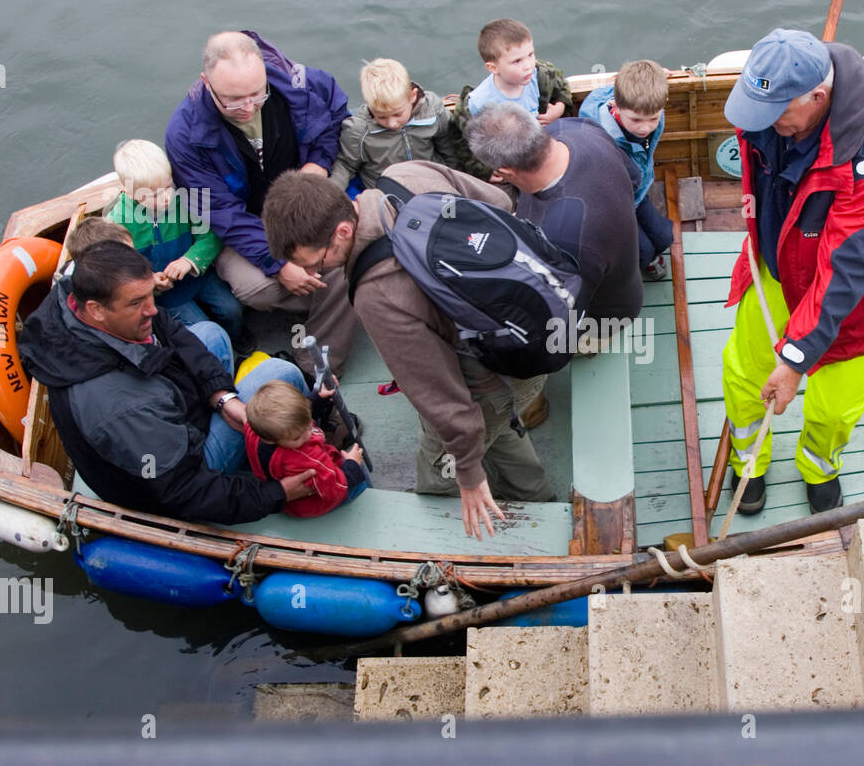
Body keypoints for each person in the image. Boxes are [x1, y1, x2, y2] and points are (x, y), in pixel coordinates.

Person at [261, 163, 557, 540]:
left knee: (441, 474)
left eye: (316, 262)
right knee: (501, 427)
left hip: (490, 381)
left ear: (343, 232)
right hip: (531, 339)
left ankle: (472, 553)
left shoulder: (376, 292)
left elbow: (440, 395)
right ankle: (542, 502)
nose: (316, 275)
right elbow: (500, 200)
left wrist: (467, 474)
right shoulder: (405, 175)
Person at [720, 28, 864, 515]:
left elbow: (845, 270)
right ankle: (750, 460)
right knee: (744, 376)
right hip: (776, 268)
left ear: (818, 97)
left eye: (777, 113)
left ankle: (820, 465)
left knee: (835, 407)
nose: (762, 124)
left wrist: (794, 358)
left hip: (857, 301)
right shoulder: (768, 116)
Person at [18, 241, 318, 524]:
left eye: (150, 294)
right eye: (137, 302)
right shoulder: (120, 406)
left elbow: (169, 329)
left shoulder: (77, 300)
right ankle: (306, 443)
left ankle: (262, 425)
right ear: (96, 309)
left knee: (210, 333)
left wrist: (221, 396)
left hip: (167, 412)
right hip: (176, 472)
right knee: (281, 372)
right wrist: (276, 494)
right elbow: (184, 492)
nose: (151, 308)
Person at [165, 30, 356, 374]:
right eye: (234, 100)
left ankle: (317, 358)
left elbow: (333, 116)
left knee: (338, 259)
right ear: (206, 83)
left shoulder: (303, 84)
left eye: (257, 93)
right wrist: (278, 264)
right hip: (245, 225)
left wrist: (318, 162)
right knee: (259, 290)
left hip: (302, 205)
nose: (249, 107)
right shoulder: (184, 135)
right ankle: (338, 303)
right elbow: (221, 212)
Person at [463, 104, 642, 325]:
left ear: (505, 172)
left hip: (604, 316)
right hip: (626, 281)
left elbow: (564, 308)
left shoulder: (561, 240)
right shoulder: (577, 126)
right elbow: (634, 177)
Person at [106, 139, 245, 342]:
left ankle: (237, 338)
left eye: (167, 186)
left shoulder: (185, 199)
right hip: (164, 294)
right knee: (203, 329)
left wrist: (189, 260)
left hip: (198, 276)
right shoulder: (118, 223)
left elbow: (210, 236)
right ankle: (220, 353)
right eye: (154, 194)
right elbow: (117, 269)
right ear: (128, 192)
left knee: (232, 309)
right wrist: (148, 281)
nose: (166, 198)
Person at [578, 59, 675, 280]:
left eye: (653, 118)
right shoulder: (598, 138)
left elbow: (628, 86)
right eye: (636, 119)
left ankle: (649, 256)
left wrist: (656, 78)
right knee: (642, 252)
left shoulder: (645, 103)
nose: (645, 127)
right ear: (615, 107)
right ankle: (639, 266)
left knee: (664, 237)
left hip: (638, 192)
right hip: (613, 203)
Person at [451, 19, 574, 179]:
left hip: (543, 144)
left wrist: (560, 107)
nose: (528, 65)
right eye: (517, 61)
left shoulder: (541, 75)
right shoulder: (480, 103)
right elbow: (467, 142)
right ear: (493, 67)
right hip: (510, 161)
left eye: (530, 54)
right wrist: (485, 172)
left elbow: (562, 86)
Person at [329, 58, 460, 192]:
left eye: (397, 114)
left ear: (412, 96)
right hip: (387, 195)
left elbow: (448, 147)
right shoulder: (358, 130)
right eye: (381, 116)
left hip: (432, 184)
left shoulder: (432, 110)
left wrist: (456, 179)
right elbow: (345, 165)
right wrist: (331, 194)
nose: (392, 124)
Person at [244, 379, 369, 518]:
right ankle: (367, 499)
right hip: (313, 502)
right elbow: (337, 488)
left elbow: (296, 417)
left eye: (308, 423)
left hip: (285, 493)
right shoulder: (307, 458)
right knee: (358, 470)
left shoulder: (255, 429)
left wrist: (318, 398)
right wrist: (353, 464)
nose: (309, 434)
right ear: (274, 439)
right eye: (297, 437)